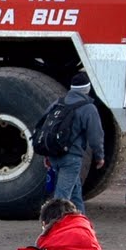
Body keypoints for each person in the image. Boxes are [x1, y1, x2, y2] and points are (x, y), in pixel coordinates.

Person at [41, 72, 105, 214]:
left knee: (75, 194)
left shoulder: (58, 103)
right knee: (62, 198)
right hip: (71, 158)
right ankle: (54, 227)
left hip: (54, 155)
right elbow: (96, 135)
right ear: (87, 89)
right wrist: (99, 156)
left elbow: (46, 129)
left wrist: (47, 154)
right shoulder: (88, 108)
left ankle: (82, 225)